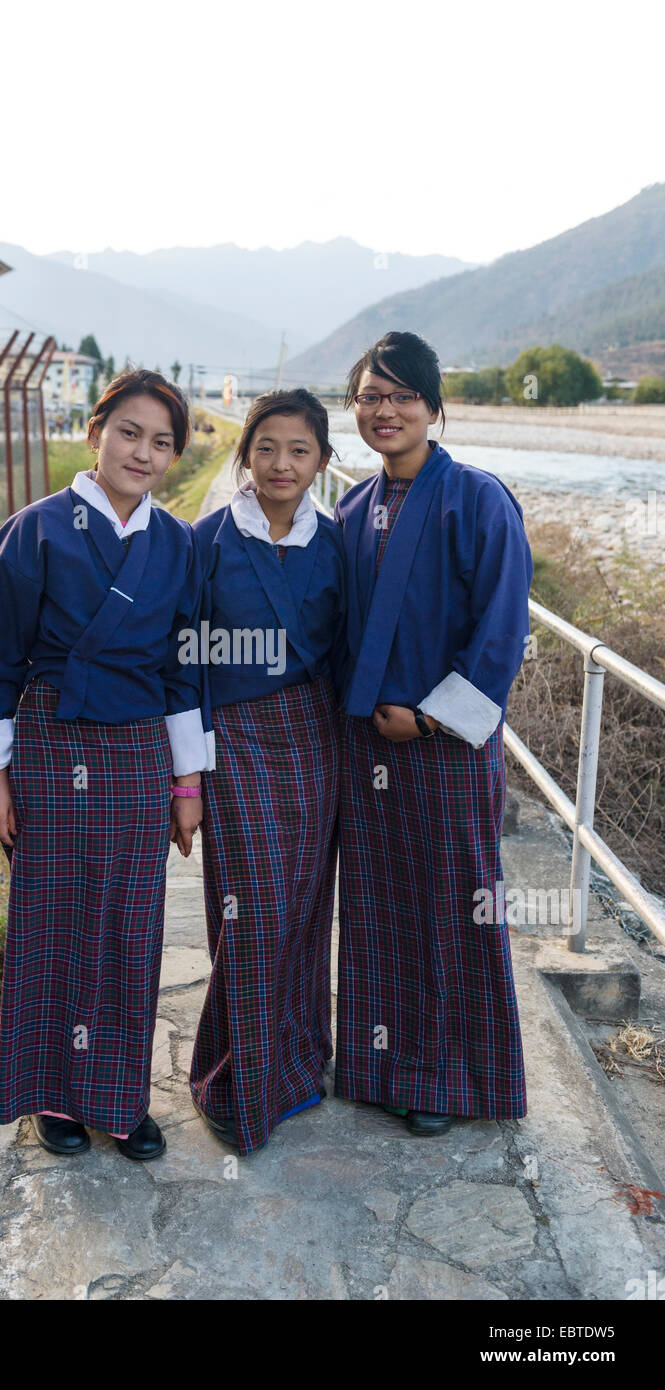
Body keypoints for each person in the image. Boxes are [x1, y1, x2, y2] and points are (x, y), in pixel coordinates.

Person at [0, 369, 211, 1160]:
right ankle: (54, 1099)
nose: (143, 452)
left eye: (162, 442)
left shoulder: (174, 542)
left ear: (174, 456)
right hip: (51, 744)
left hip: (137, 751)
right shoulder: (35, 529)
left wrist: (185, 783)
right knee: (54, 921)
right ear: (94, 432)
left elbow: (182, 671)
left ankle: (118, 1098)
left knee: (130, 927)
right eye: (129, 432)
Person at [333, 331, 532, 1136]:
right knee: (378, 904)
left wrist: (428, 717)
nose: (385, 411)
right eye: (369, 397)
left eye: (400, 395)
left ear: (432, 406)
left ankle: (447, 1079)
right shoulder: (352, 505)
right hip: (363, 745)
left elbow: (501, 629)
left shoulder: (478, 499)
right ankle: (379, 1063)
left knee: (451, 905)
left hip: (442, 746)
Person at [188, 388, 346, 1155]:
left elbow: (353, 645)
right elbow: (180, 659)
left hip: (314, 739)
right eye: (266, 448)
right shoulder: (206, 541)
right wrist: (186, 775)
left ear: (321, 460)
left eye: (300, 450)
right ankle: (233, 1083)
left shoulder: (338, 541)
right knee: (249, 912)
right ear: (243, 453)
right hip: (238, 742)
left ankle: (296, 1064)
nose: (281, 465)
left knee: (305, 908)